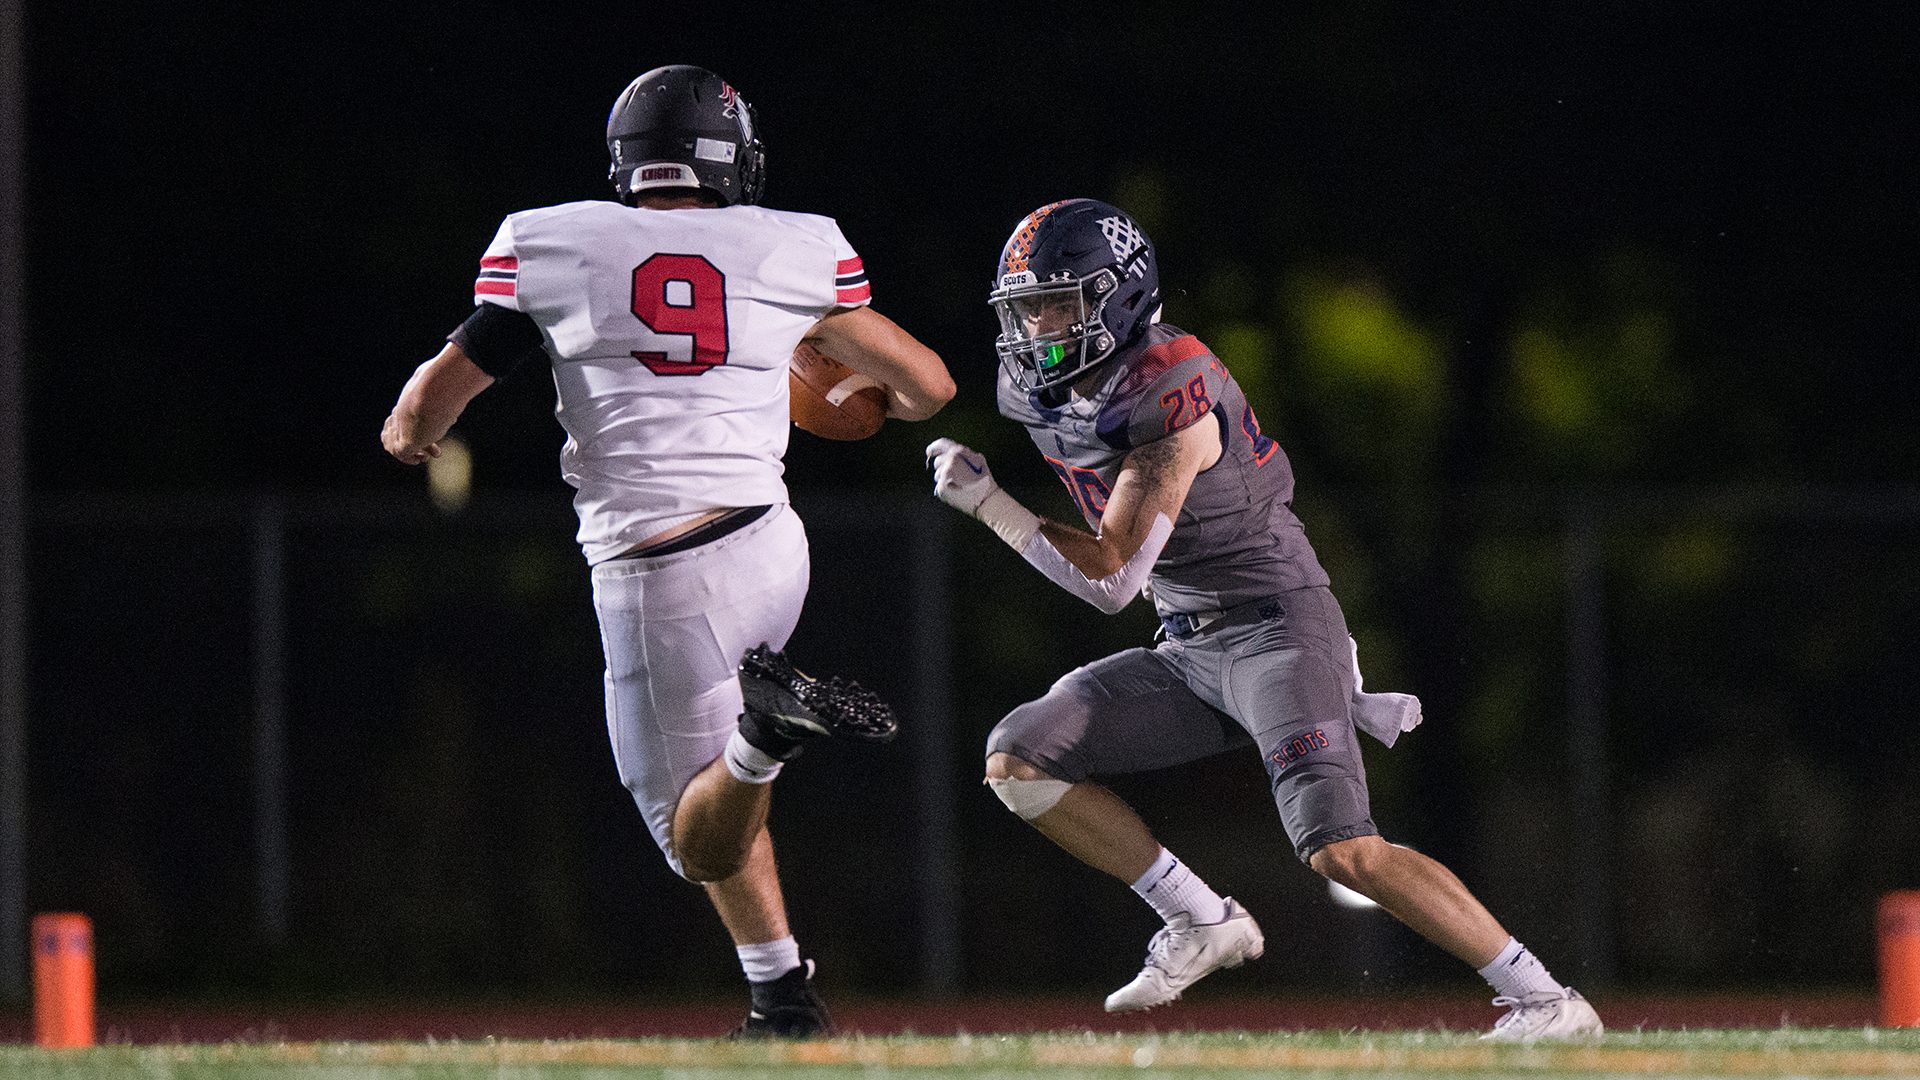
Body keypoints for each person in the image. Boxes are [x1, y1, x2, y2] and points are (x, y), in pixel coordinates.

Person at [925, 198, 1601, 1042]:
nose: (1038, 326)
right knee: (1019, 757)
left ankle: (1545, 998)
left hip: (1275, 627)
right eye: (1027, 307)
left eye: (1059, 304)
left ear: (1120, 297)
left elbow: (1111, 577)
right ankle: (1202, 920)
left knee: (1340, 848)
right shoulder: (1038, 385)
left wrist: (989, 504)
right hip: (1187, 642)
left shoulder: (1174, 387)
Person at [382, 65, 955, 1038]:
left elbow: (431, 399)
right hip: (774, 550)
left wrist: (410, 435)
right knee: (717, 781)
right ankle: (783, 998)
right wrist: (802, 382)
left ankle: (767, 736)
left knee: (694, 837)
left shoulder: (553, 241)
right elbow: (928, 387)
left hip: (663, 571)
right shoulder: (789, 248)